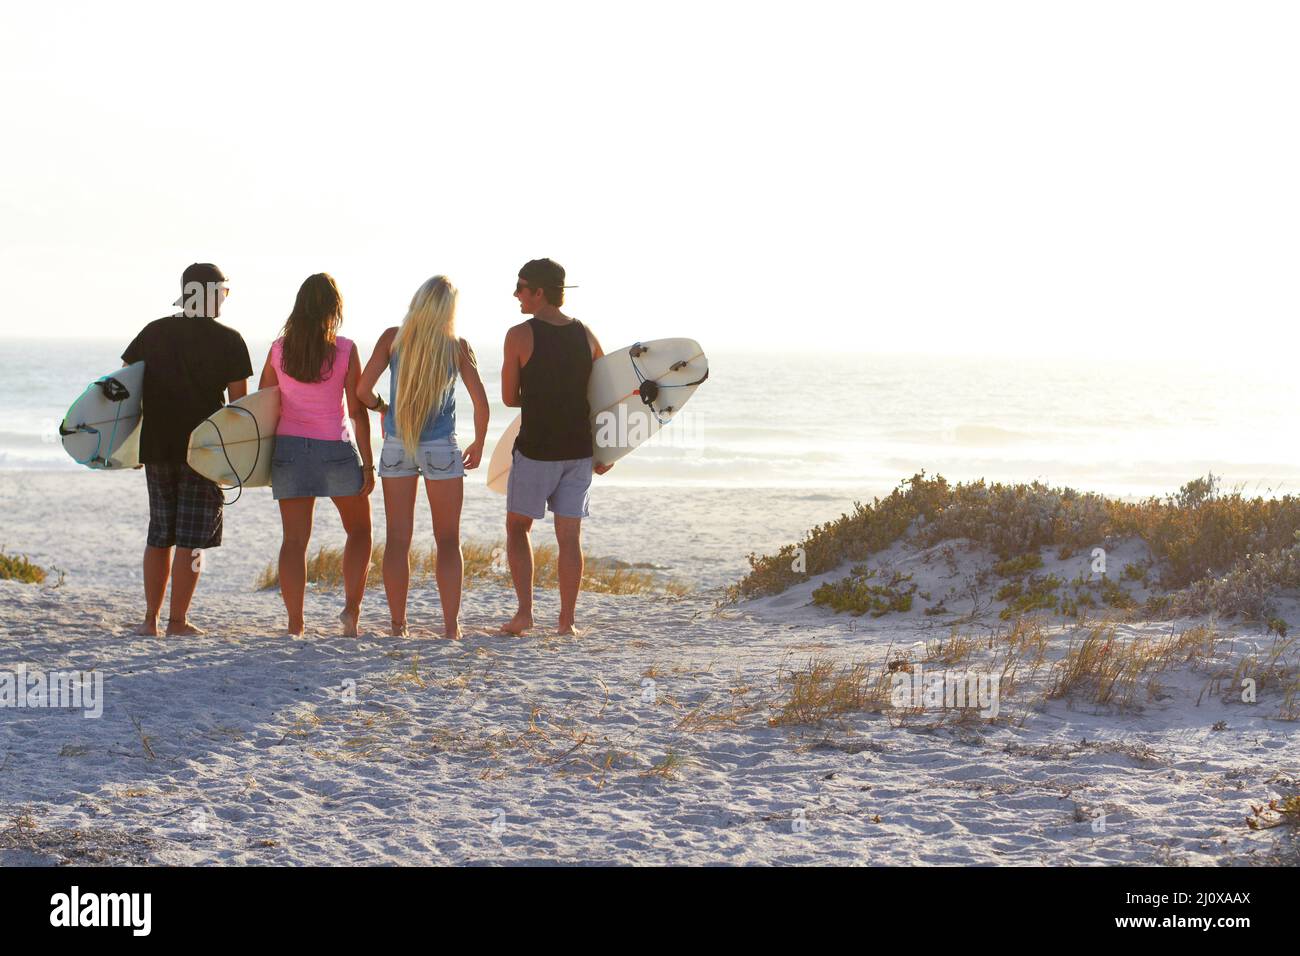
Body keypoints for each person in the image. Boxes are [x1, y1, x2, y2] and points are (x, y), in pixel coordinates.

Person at [123, 263, 252, 636]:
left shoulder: (154, 332)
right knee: (192, 541)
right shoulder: (230, 340)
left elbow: (124, 388)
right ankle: (177, 621)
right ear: (212, 294)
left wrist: (129, 445)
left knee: (159, 533)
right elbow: (239, 408)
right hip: (203, 452)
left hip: (157, 446)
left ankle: (150, 620)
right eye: (224, 292)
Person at [357, 276, 489, 639]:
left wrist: (383, 408)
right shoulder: (456, 347)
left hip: (399, 444)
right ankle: (451, 627)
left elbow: (361, 391)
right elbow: (481, 402)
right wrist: (478, 442)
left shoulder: (392, 339)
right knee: (448, 540)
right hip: (441, 448)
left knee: (398, 539)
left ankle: (398, 626)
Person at [499, 258, 610, 637]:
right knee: (569, 537)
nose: (516, 293)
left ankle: (525, 614)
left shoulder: (519, 335)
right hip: (579, 450)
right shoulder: (587, 335)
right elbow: (606, 394)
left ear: (539, 292)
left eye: (521, 286)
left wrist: (539, 394)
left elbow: (509, 397)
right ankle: (567, 622)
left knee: (517, 527)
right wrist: (608, 449)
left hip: (536, 450)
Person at [258, 273, 373, 637]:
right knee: (360, 531)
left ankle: (296, 623)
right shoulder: (345, 349)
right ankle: (351, 612)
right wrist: (368, 463)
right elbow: (357, 411)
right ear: (334, 309)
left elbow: (263, 402)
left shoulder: (278, 349)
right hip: (335, 449)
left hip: (290, 449)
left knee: (294, 540)